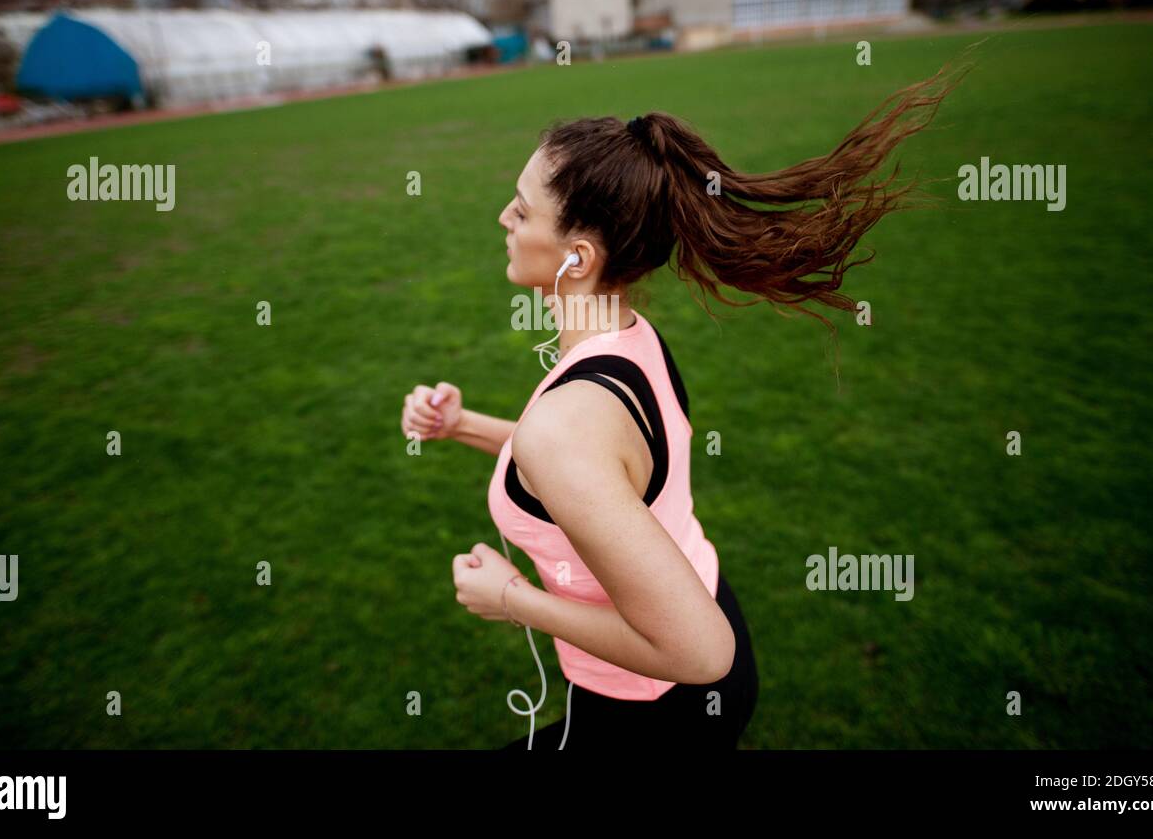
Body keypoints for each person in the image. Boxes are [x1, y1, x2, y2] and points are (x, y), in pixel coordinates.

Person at [399, 65, 961, 749]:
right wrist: (459, 425)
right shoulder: (630, 340)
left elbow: (699, 650)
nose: (504, 219)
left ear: (576, 257)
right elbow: (590, 471)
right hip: (709, 641)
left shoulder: (566, 423)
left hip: (655, 710)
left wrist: (511, 600)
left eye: (521, 209)